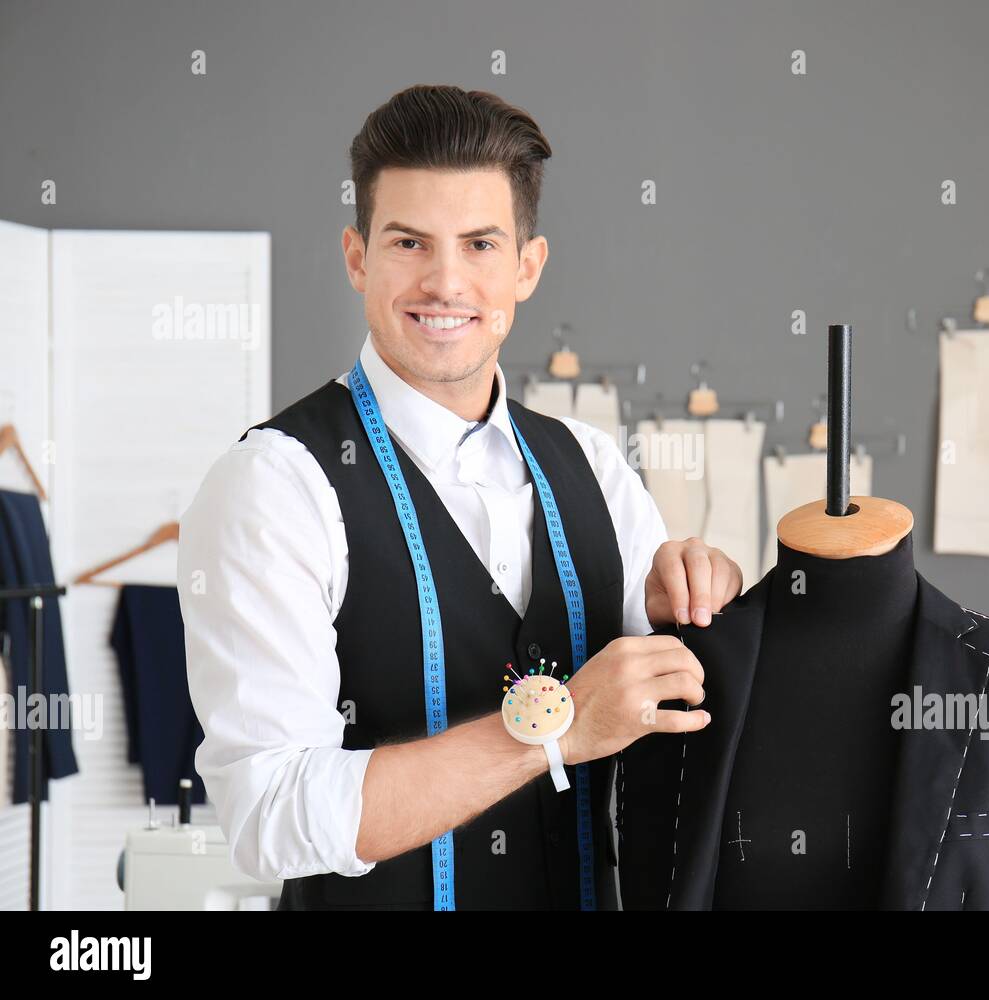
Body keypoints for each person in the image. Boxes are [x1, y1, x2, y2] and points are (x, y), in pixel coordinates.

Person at [178, 84, 741, 910]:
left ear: (527, 267)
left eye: (480, 244)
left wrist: (676, 619)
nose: (445, 282)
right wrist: (548, 737)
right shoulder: (275, 484)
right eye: (409, 242)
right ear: (357, 256)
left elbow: (656, 730)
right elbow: (271, 817)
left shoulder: (592, 465)